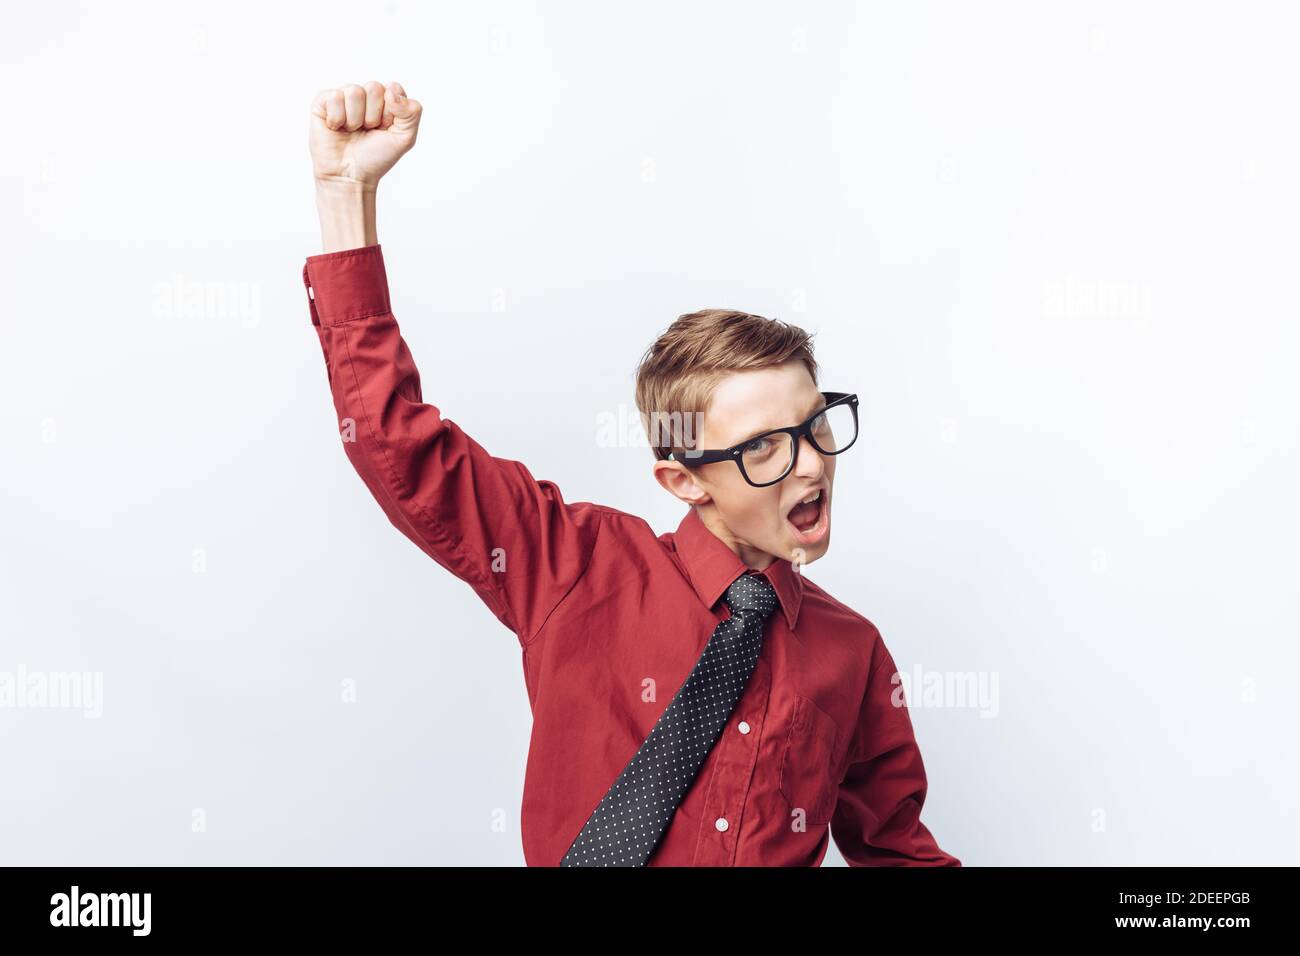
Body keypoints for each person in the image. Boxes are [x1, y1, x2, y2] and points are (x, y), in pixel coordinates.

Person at [303, 80, 960, 867]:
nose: (812, 462)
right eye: (763, 448)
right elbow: (396, 443)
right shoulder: (571, 565)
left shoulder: (851, 655)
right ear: (683, 480)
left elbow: (898, 852)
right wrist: (347, 198)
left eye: (815, 425)